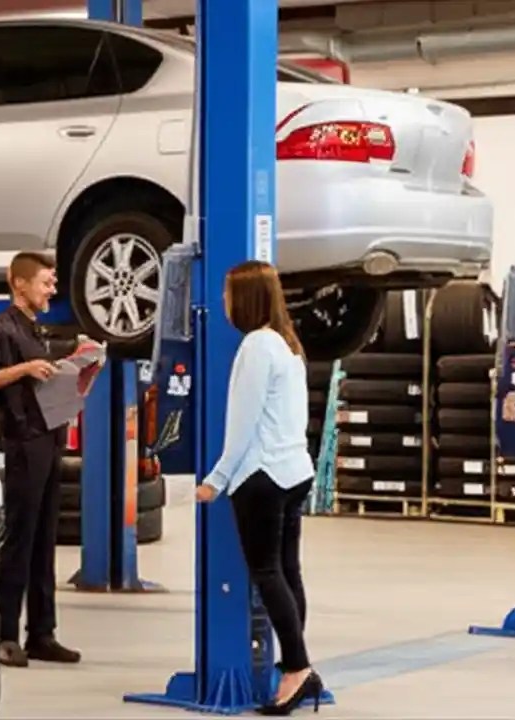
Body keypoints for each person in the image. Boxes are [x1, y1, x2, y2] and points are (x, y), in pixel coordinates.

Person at [195, 261, 324, 716]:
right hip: (293, 471)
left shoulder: (256, 346)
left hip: (263, 476)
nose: (224, 302)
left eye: (229, 294)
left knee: (268, 573)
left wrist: (216, 479)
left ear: (245, 299)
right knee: (288, 571)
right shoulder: (289, 345)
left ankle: (297, 671)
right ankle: (297, 665)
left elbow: (243, 424)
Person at [0, 251, 81, 667]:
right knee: (19, 540)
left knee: (44, 542)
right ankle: (5, 636)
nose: (52, 289)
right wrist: (25, 368)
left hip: (49, 439)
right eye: (46, 282)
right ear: (20, 283)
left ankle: (42, 633)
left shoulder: (38, 331)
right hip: (21, 442)